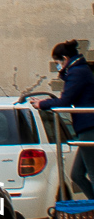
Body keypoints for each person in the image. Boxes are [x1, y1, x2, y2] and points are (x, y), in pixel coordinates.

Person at [32, 40, 94, 200]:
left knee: (92, 173)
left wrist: (42, 104)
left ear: (65, 59)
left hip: (89, 127)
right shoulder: (78, 71)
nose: (57, 66)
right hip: (85, 128)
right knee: (77, 174)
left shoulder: (78, 72)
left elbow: (64, 101)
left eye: (57, 62)